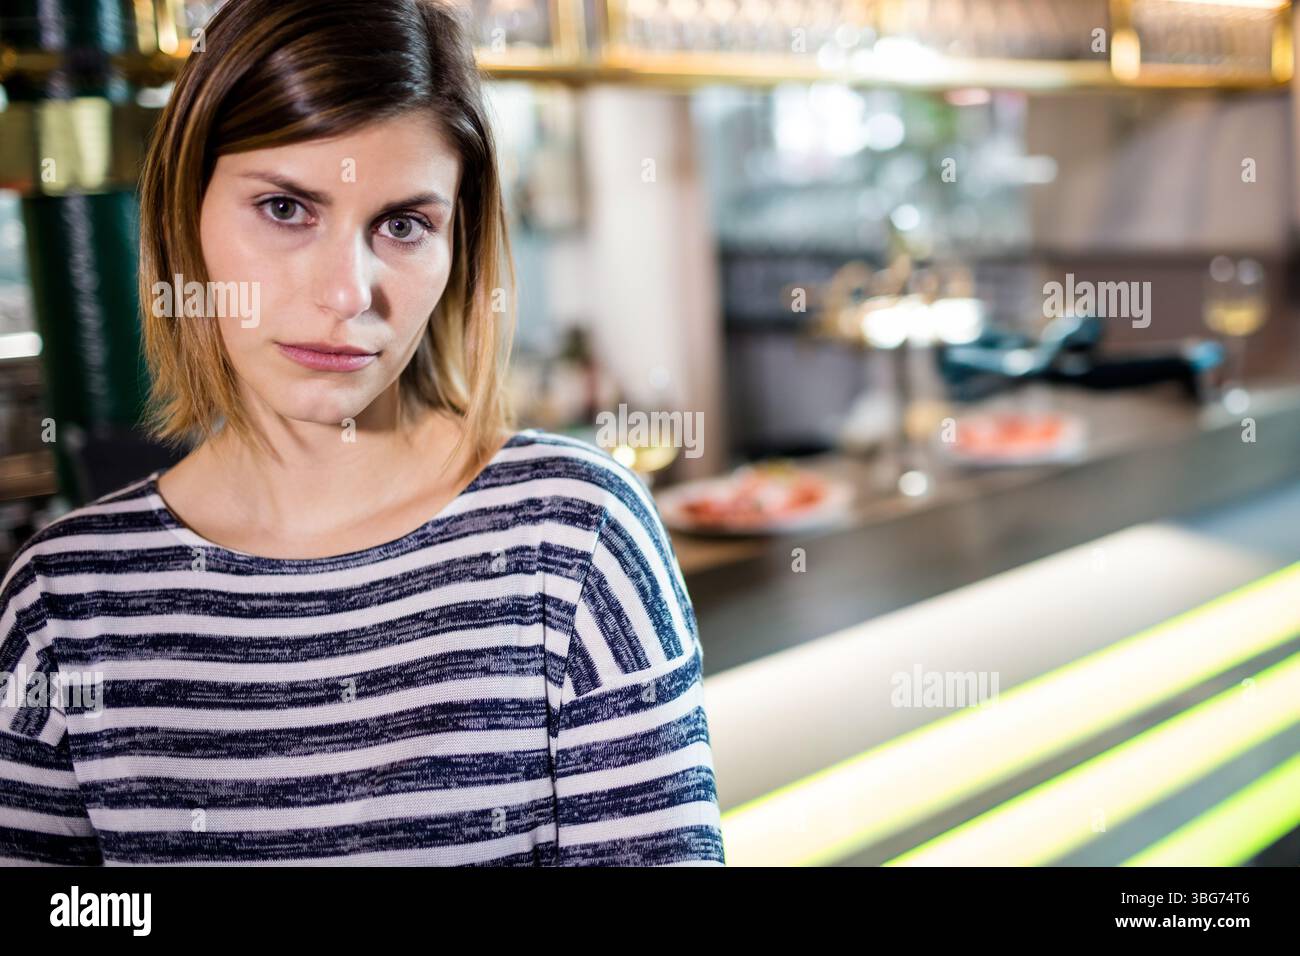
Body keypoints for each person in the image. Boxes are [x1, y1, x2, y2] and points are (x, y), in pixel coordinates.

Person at [0, 0, 723, 866]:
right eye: (284, 208)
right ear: (184, 215)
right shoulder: (60, 603)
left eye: (404, 225)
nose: (348, 294)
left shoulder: (573, 542)